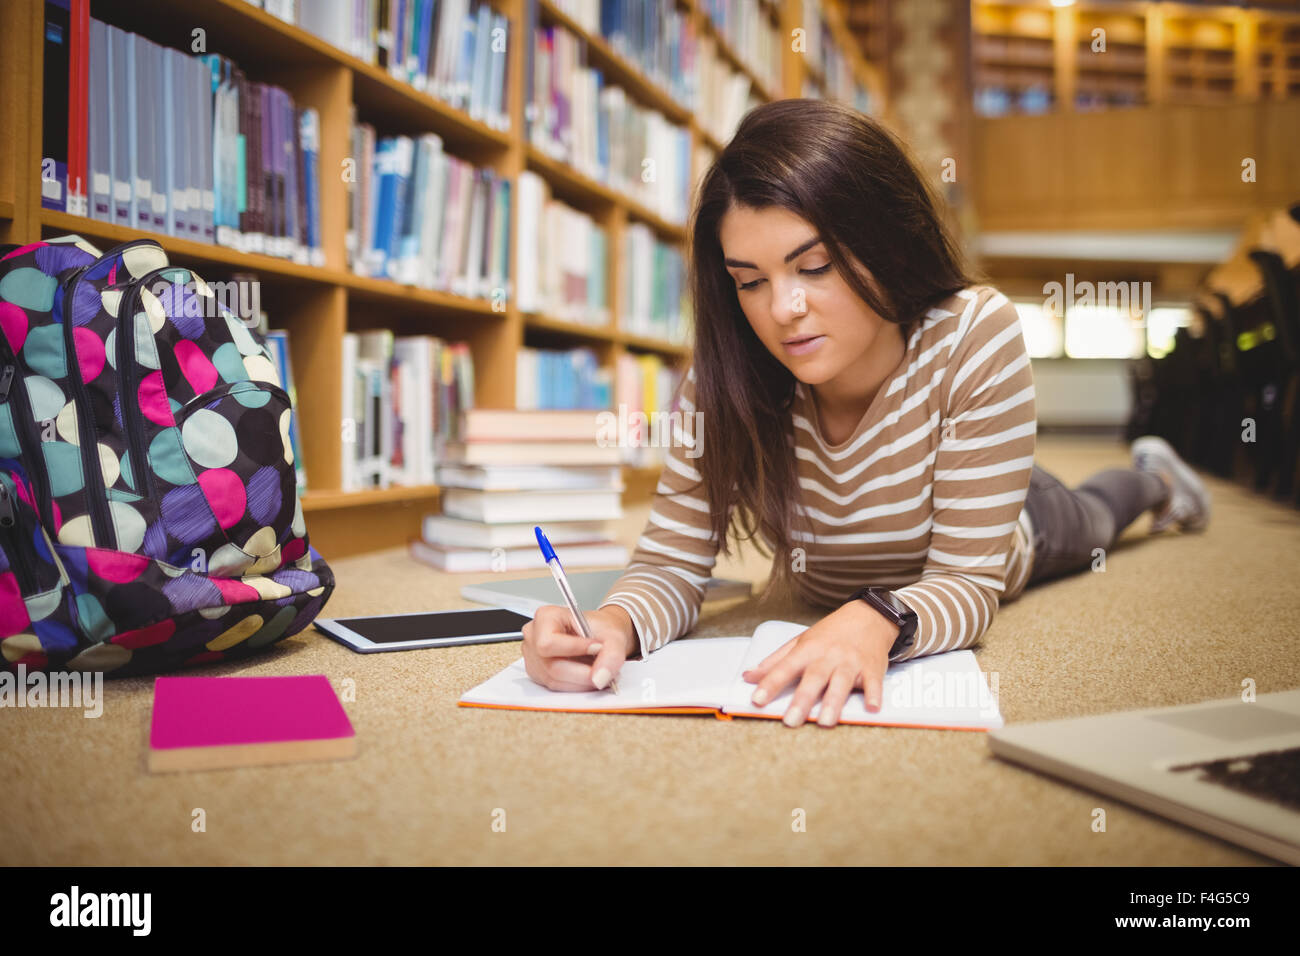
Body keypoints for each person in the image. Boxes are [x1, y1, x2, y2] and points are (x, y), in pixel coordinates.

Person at [519, 98, 1211, 727]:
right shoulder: (728, 374)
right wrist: (614, 623)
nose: (782, 311)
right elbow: (670, 563)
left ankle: (1156, 479)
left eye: (813, 267)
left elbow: (968, 583)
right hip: (871, 559)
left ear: (885, 242)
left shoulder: (973, 331)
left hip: (1014, 526)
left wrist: (880, 616)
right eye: (750, 282)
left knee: (1094, 513)